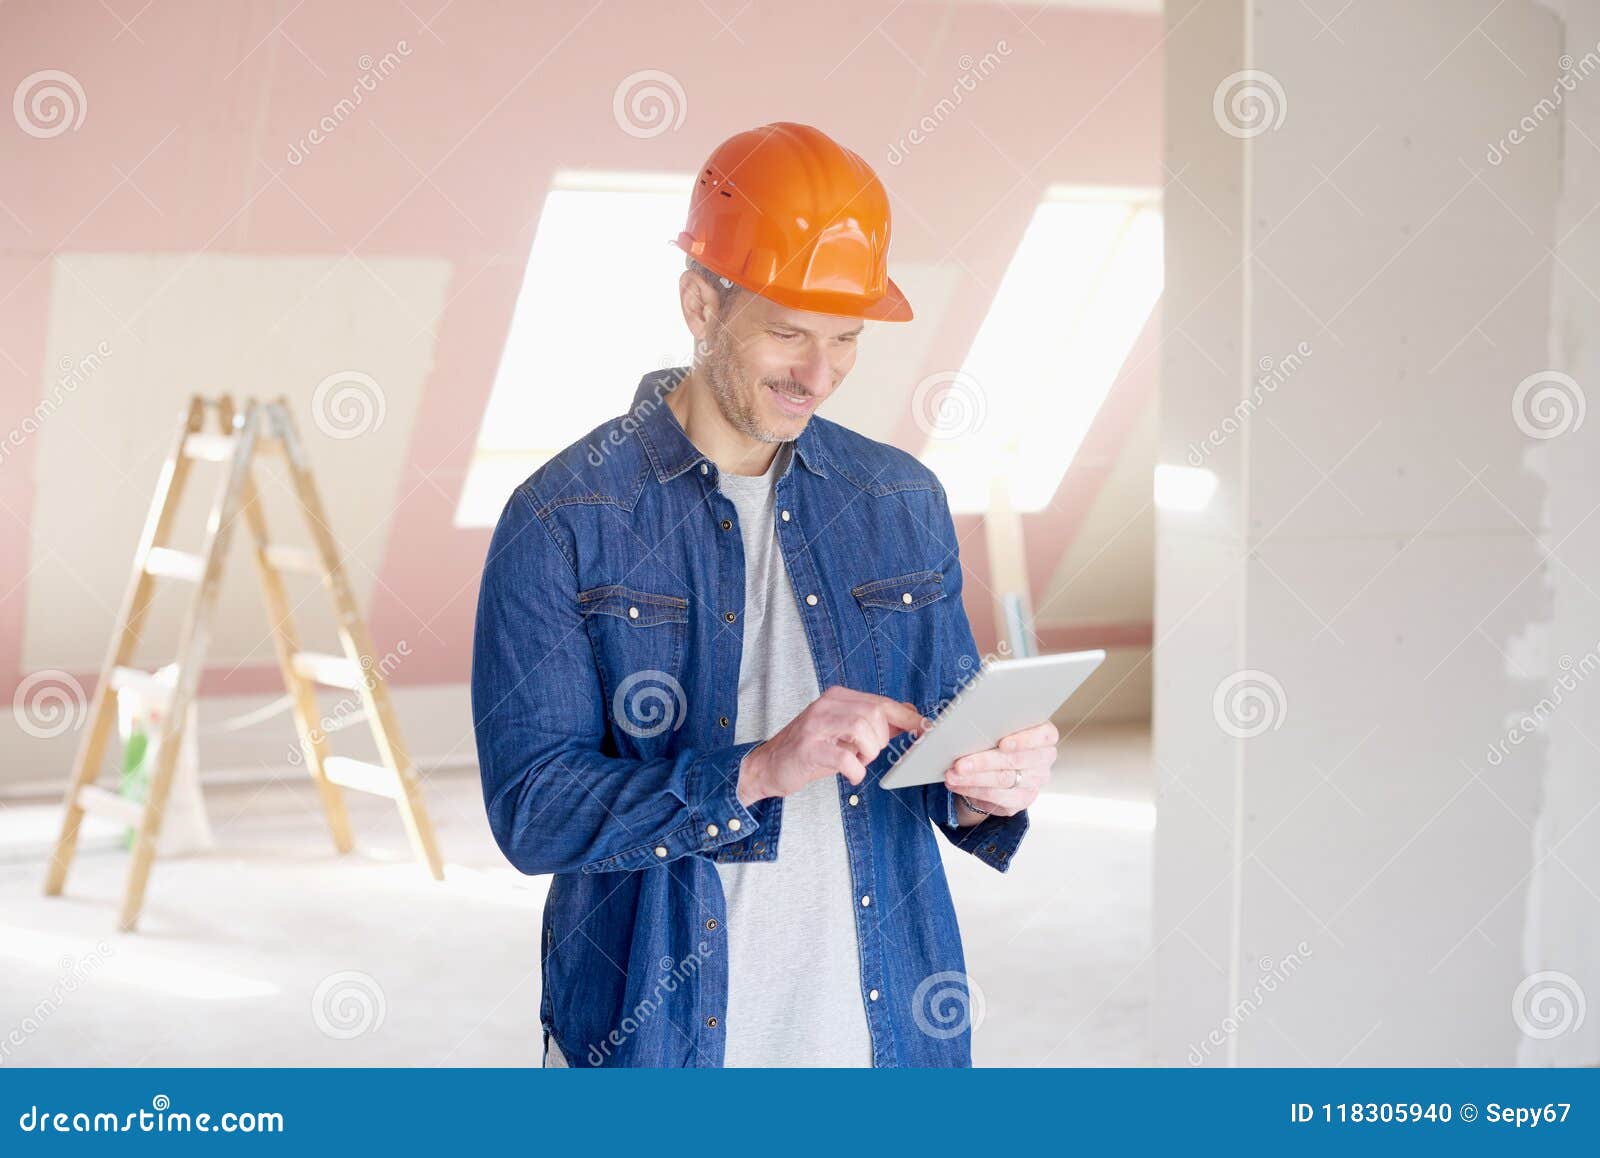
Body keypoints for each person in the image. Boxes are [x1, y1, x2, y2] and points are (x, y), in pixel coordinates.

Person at [470, 121, 1058, 1068]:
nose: (819, 376)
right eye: (786, 333)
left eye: (845, 339)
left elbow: (938, 762)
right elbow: (535, 813)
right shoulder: (566, 516)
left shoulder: (900, 500)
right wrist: (756, 770)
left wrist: (993, 785)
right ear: (700, 303)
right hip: (660, 1040)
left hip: (884, 1033)